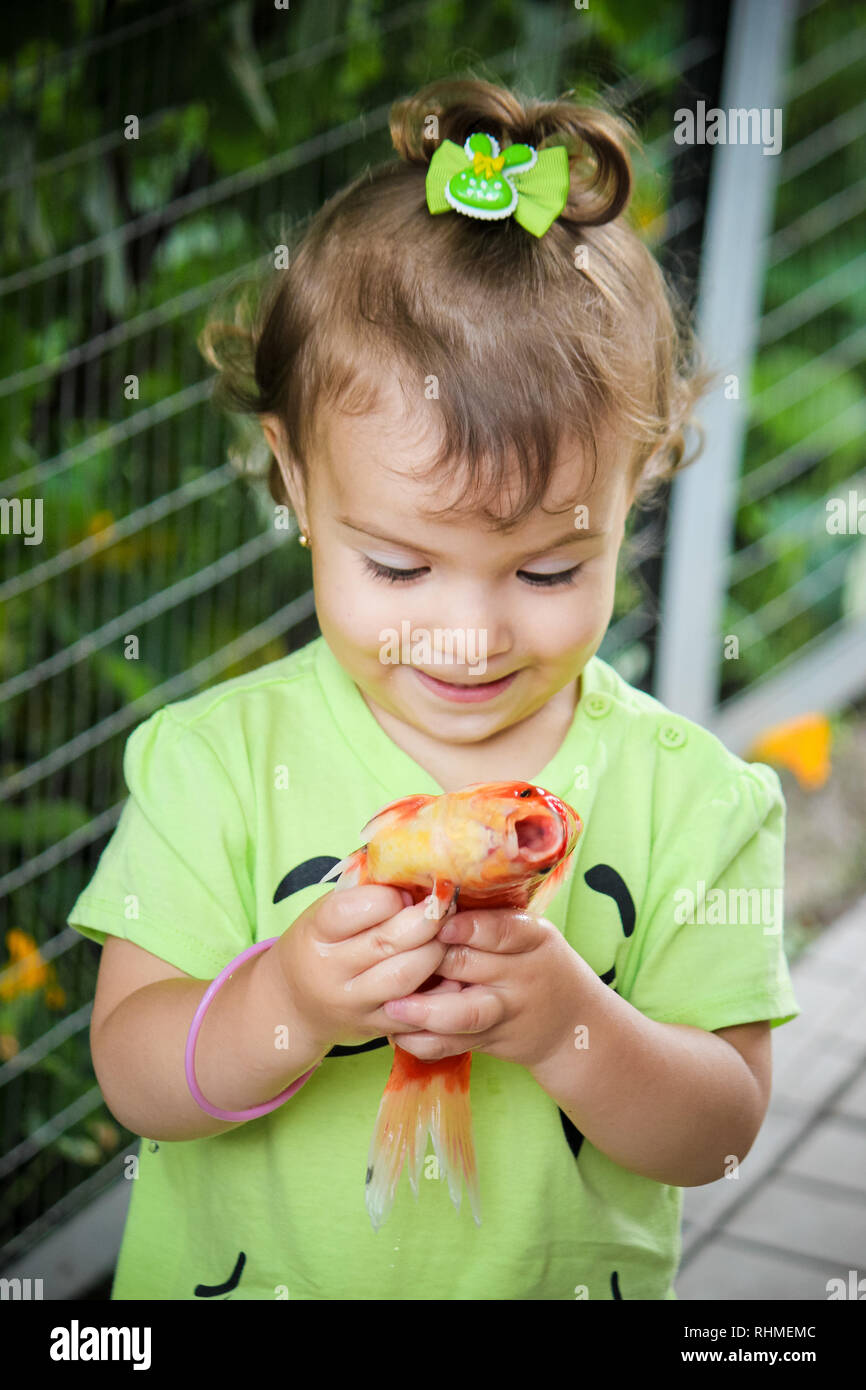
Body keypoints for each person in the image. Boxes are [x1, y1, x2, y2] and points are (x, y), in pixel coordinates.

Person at [68, 76, 800, 1301]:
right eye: (399, 563)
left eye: (551, 567)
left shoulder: (696, 803)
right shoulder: (214, 763)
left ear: (639, 492)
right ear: (294, 485)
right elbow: (137, 1076)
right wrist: (289, 997)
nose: (466, 635)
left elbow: (719, 1134)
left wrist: (567, 1020)